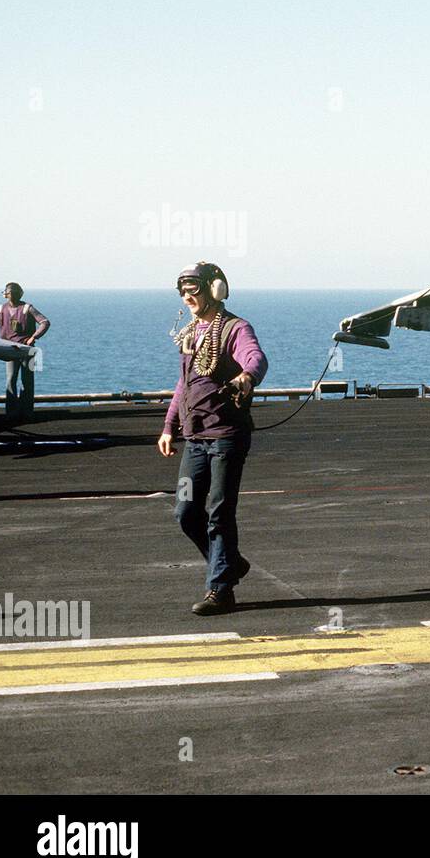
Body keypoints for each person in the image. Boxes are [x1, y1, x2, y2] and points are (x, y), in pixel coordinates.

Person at [158, 262, 268, 615]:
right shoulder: (191, 333)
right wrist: (168, 426)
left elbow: (256, 358)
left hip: (225, 437)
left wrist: (247, 376)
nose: (187, 296)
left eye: (194, 289)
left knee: (219, 512)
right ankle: (230, 563)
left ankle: (220, 589)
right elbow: (184, 384)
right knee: (186, 511)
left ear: (215, 289)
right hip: (195, 438)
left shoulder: (236, 328)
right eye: (183, 291)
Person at [0, 283, 50, 421]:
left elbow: (45, 322)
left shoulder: (27, 308)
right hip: (9, 349)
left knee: (25, 381)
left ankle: (25, 412)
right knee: (12, 380)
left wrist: (33, 337)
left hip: (26, 350)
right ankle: (13, 412)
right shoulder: (1, 309)